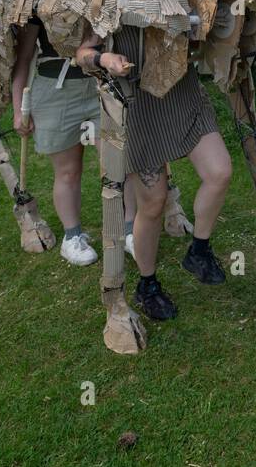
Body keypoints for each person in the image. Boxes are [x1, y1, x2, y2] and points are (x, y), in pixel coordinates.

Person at [75, 23, 231, 321]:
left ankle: (198, 250)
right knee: (153, 203)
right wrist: (104, 60)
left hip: (183, 93)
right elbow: (82, 52)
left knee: (220, 172)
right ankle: (147, 284)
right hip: (136, 103)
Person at [11, 15, 108, 265]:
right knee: (68, 171)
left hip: (101, 86)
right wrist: (18, 109)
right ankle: (72, 238)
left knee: (117, 165)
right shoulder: (40, 2)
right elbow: (23, 59)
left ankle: (127, 231)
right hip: (56, 92)